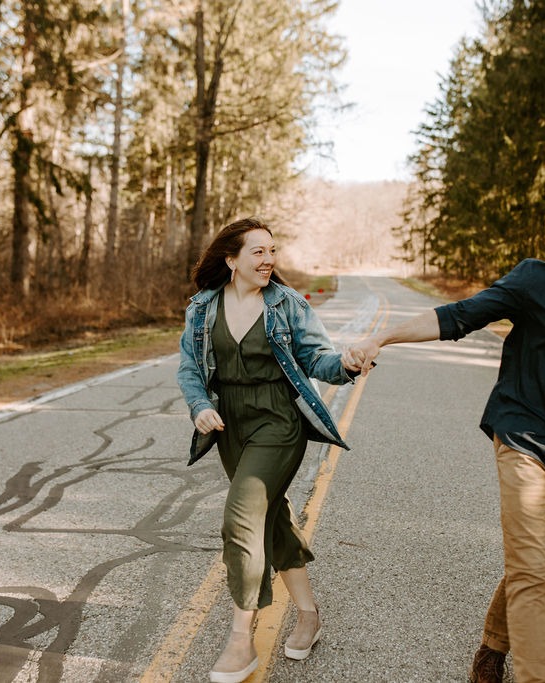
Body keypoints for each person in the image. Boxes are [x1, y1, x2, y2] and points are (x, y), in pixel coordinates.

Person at [345, 175, 545, 683]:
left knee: (533, 563)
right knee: (533, 574)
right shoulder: (535, 279)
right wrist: (383, 336)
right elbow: (460, 315)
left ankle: (493, 646)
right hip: (523, 438)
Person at [177, 217, 358, 683]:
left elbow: (319, 358)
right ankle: (309, 613)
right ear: (231, 259)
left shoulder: (287, 303)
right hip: (228, 426)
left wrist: (347, 364)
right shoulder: (202, 308)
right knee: (270, 519)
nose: (268, 260)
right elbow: (189, 370)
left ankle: (242, 639)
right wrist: (199, 405)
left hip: (278, 421)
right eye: (257, 252)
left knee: (241, 516)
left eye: (271, 251)